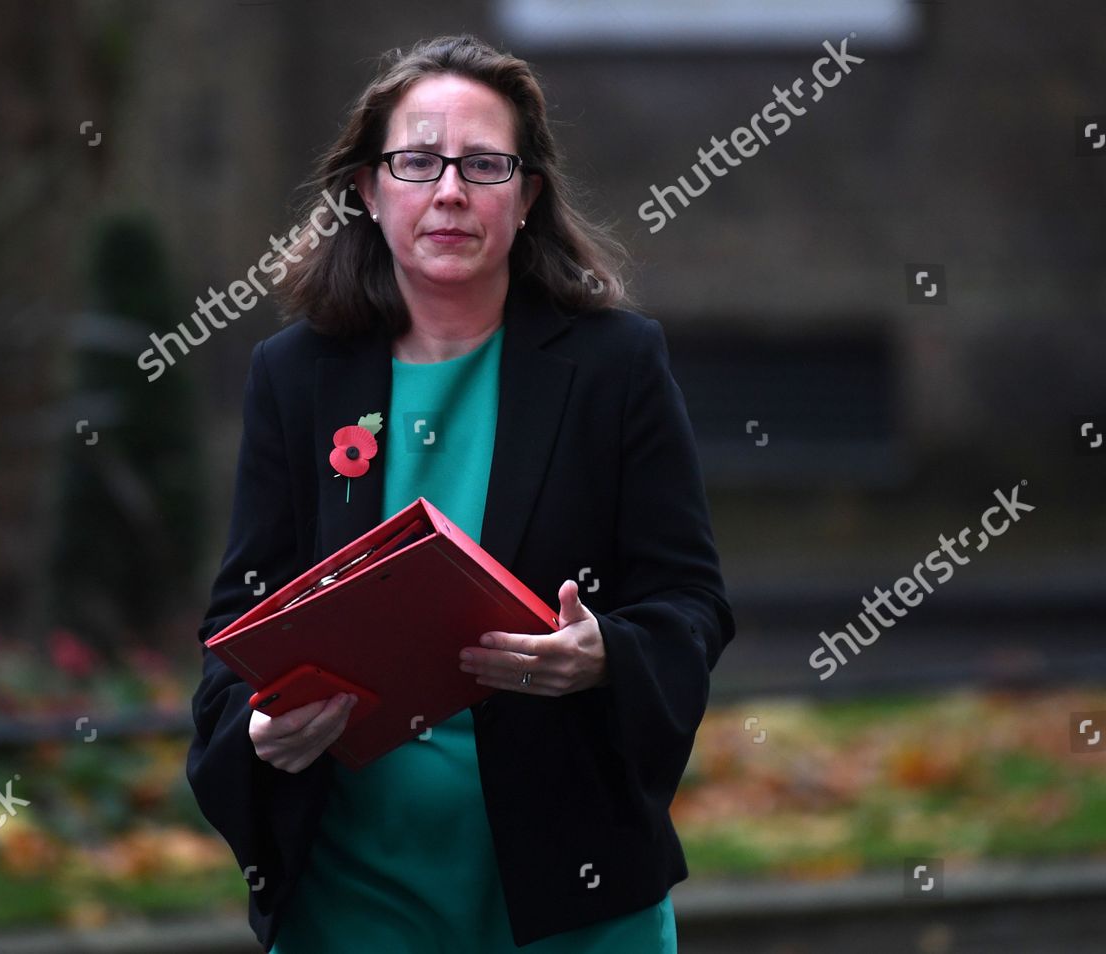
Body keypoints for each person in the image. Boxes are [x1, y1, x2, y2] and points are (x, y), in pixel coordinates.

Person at [187, 34, 736, 953]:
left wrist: (605, 653)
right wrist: (256, 728)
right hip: (352, 894)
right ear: (367, 191)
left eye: (484, 165)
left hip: (574, 893)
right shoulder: (296, 376)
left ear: (527, 197)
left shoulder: (616, 366)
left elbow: (692, 601)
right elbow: (238, 624)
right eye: (417, 161)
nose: (449, 190)